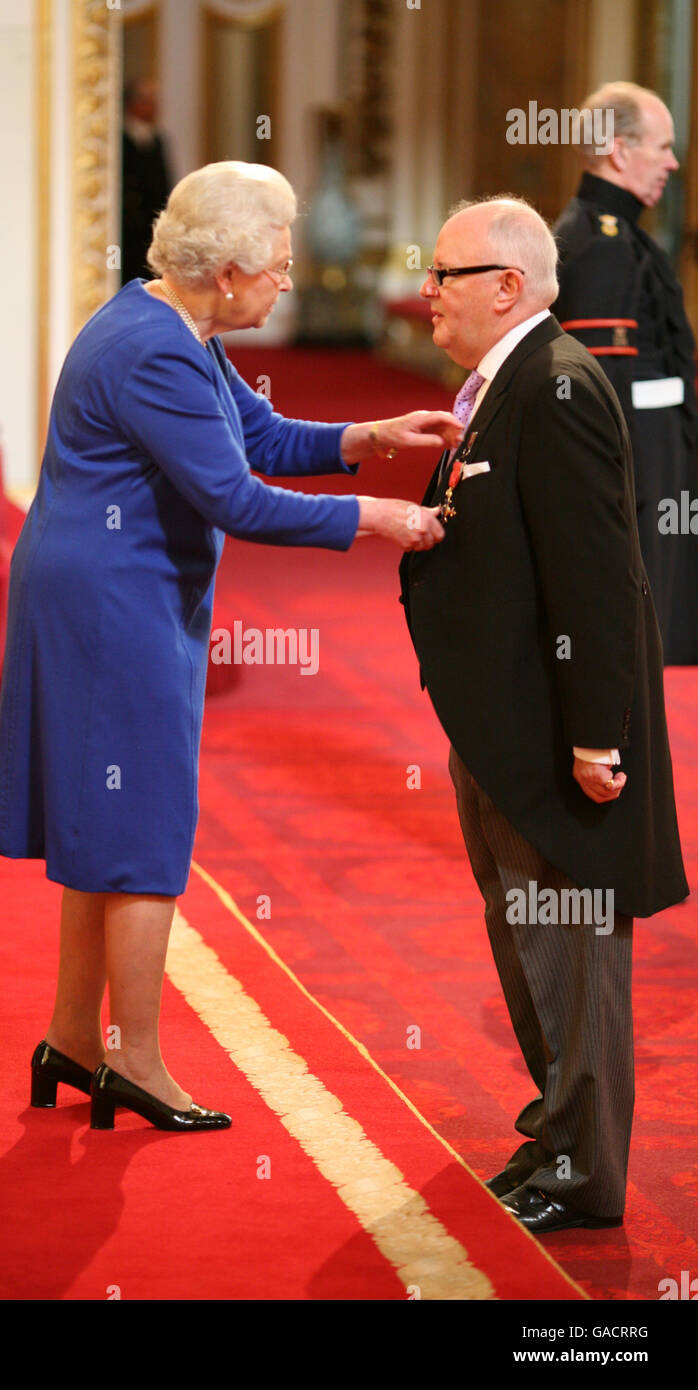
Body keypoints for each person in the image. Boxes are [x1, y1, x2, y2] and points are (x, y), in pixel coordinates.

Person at [0, 160, 460, 1135]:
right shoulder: (156, 349)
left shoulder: (168, 323)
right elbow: (234, 498)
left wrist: (370, 433)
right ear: (229, 270)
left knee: (102, 824)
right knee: (146, 825)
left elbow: (260, 435)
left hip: (105, 586)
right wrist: (376, 518)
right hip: (111, 600)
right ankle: (138, 1059)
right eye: (277, 266)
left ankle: (76, 1040)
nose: (287, 281)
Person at [399, 196, 688, 1232]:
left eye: (444, 275)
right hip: (501, 730)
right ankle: (558, 1130)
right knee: (528, 942)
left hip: (554, 739)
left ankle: (586, 1170)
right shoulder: (507, 379)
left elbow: (597, 580)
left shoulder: (554, 384)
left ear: (505, 287)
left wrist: (595, 734)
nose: (426, 293)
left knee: (568, 951)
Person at [553, 81, 698, 665]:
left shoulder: (618, 237)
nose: (673, 162)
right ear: (617, 148)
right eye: (662, 147)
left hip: (653, 468)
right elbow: (601, 395)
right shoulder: (600, 248)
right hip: (636, 476)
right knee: (626, 647)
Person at [121, 76, 172, 286]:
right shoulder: (121, 139)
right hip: (129, 228)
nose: (155, 107)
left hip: (152, 226)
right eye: (149, 100)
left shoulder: (158, 139)